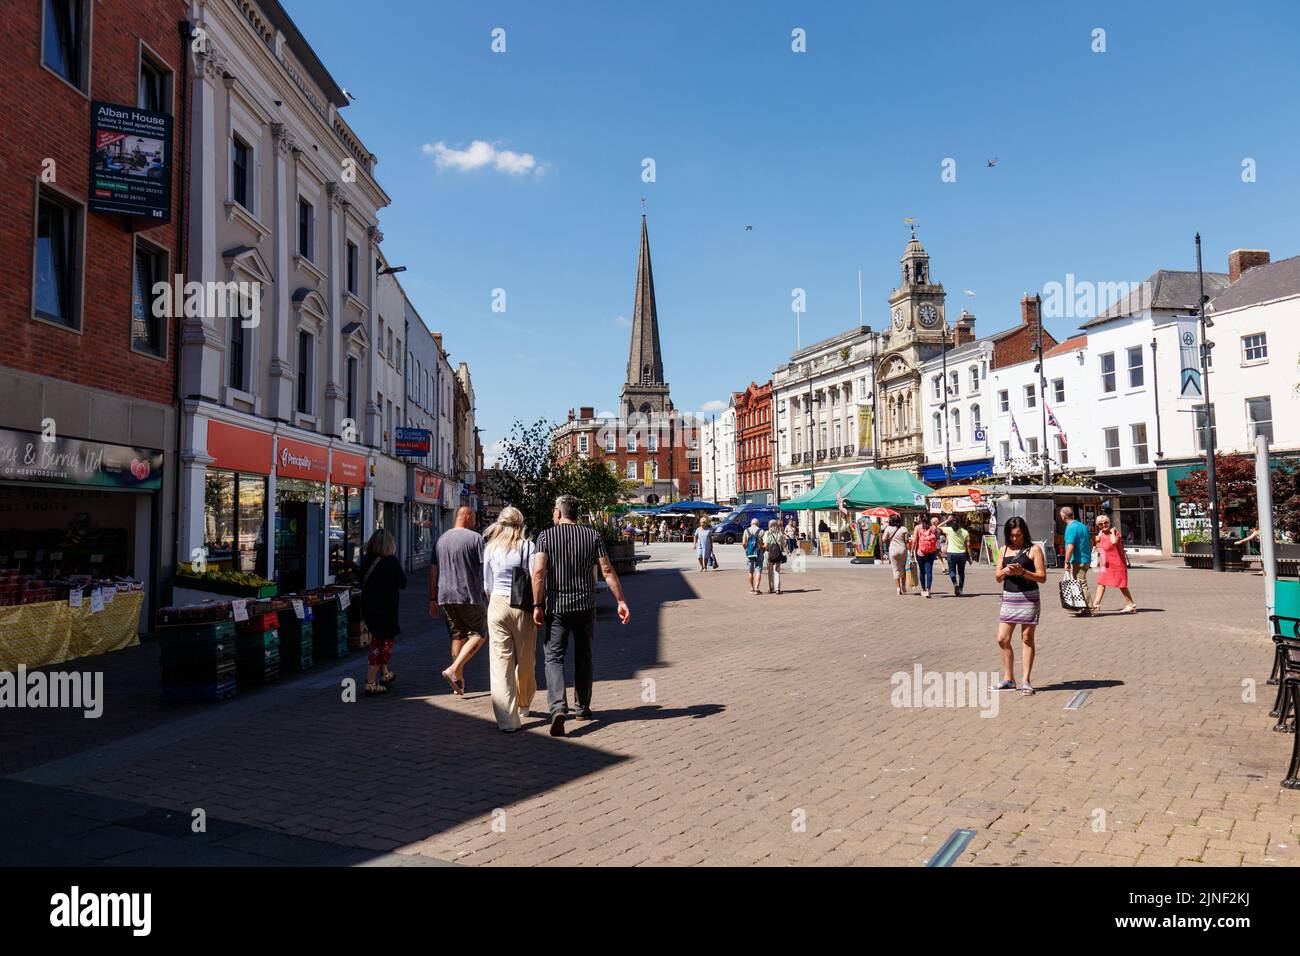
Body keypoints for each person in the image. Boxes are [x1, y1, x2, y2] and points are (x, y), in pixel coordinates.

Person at [531, 494, 631, 737]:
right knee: (584, 655)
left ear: (558, 513)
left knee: (554, 657)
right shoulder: (592, 535)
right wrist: (620, 600)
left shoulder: (546, 536)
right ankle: (582, 707)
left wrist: (537, 604)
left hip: (557, 606)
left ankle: (557, 708)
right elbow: (606, 569)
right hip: (585, 605)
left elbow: (539, 572)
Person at [482, 506, 539, 732]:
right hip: (521, 606)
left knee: (500, 662)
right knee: (526, 659)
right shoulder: (528, 547)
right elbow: (535, 578)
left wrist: (493, 601)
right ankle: (524, 703)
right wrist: (538, 606)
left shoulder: (490, 548)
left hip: (496, 603)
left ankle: (507, 720)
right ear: (520, 524)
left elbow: (486, 584)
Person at [430, 506, 487, 695]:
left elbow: (433, 570)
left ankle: (458, 680)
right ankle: (454, 669)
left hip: (445, 596)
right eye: (474, 517)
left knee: (457, 635)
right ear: (468, 516)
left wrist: (432, 598)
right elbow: (485, 568)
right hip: (468, 595)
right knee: (479, 633)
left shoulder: (441, 540)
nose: (475, 521)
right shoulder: (476, 539)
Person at [993, 515, 1048, 696]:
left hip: (1028, 597)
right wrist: (1006, 571)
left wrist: (1023, 572)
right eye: (1012, 535)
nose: (1015, 538)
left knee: (1026, 638)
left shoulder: (1034, 550)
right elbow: (997, 577)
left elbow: (1042, 577)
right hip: (1009, 597)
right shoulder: (1003, 550)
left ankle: (1026, 680)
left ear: (1024, 533)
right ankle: (1009, 678)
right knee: (1002, 639)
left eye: (1018, 535)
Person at [359, 529, 405, 697]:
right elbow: (403, 583)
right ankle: (370, 682)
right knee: (381, 645)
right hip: (386, 609)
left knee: (378, 638)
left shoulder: (365, 560)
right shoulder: (391, 561)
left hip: (368, 608)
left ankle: (385, 675)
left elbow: (359, 581)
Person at [1092, 514, 1137, 613]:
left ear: (1109, 522)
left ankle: (1130, 604)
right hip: (1105, 563)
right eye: (1101, 524)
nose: (1104, 525)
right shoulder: (1100, 534)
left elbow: (1113, 542)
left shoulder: (1115, 532)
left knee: (1121, 584)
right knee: (1101, 583)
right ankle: (1096, 604)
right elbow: (1097, 547)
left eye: (1106, 523)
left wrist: (1111, 532)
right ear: (1098, 526)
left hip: (1117, 563)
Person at [1060, 506, 1093, 616]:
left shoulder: (1070, 528)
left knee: (1081, 583)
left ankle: (1089, 608)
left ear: (1063, 516)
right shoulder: (1082, 526)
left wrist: (1066, 562)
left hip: (1079, 560)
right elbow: (1091, 542)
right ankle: (1083, 607)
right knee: (1080, 582)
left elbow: (1070, 546)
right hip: (1086, 558)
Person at [940, 514, 973, 596]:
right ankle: (961, 589)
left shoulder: (948, 530)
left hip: (951, 553)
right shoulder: (965, 532)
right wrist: (970, 557)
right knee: (961, 572)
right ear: (959, 523)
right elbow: (968, 545)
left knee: (952, 571)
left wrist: (947, 520)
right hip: (962, 554)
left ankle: (955, 584)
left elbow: (938, 526)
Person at [911, 515, 941, 599]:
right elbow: (936, 540)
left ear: (920, 519)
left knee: (922, 571)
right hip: (931, 552)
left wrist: (911, 552)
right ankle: (928, 590)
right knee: (929, 571)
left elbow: (914, 540)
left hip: (920, 552)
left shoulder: (917, 527)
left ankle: (923, 589)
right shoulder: (933, 528)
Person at [881, 514, 910, 596]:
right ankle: (903, 586)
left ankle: (898, 588)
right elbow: (907, 541)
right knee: (903, 568)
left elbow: (883, 539)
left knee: (895, 569)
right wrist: (910, 551)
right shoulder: (904, 529)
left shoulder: (888, 528)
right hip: (903, 550)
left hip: (893, 550)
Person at [741, 517, 765, 594]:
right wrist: (762, 549)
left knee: (750, 571)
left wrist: (747, 550)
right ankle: (757, 588)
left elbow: (743, 543)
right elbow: (764, 544)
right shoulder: (761, 531)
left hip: (750, 553)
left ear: (751, 523)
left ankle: (751, 588)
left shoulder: (746, 531)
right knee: (758, 571)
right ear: (758, 523)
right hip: (759, 553)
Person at [763, 519, 785, 594]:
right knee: (777, 571)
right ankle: (777, 589)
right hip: (778, 554)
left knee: (770, 572)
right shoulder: (780, 533)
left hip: (769, 554)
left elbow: (766, 544)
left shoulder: (767, 533)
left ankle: (771, 588)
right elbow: (783, 545)